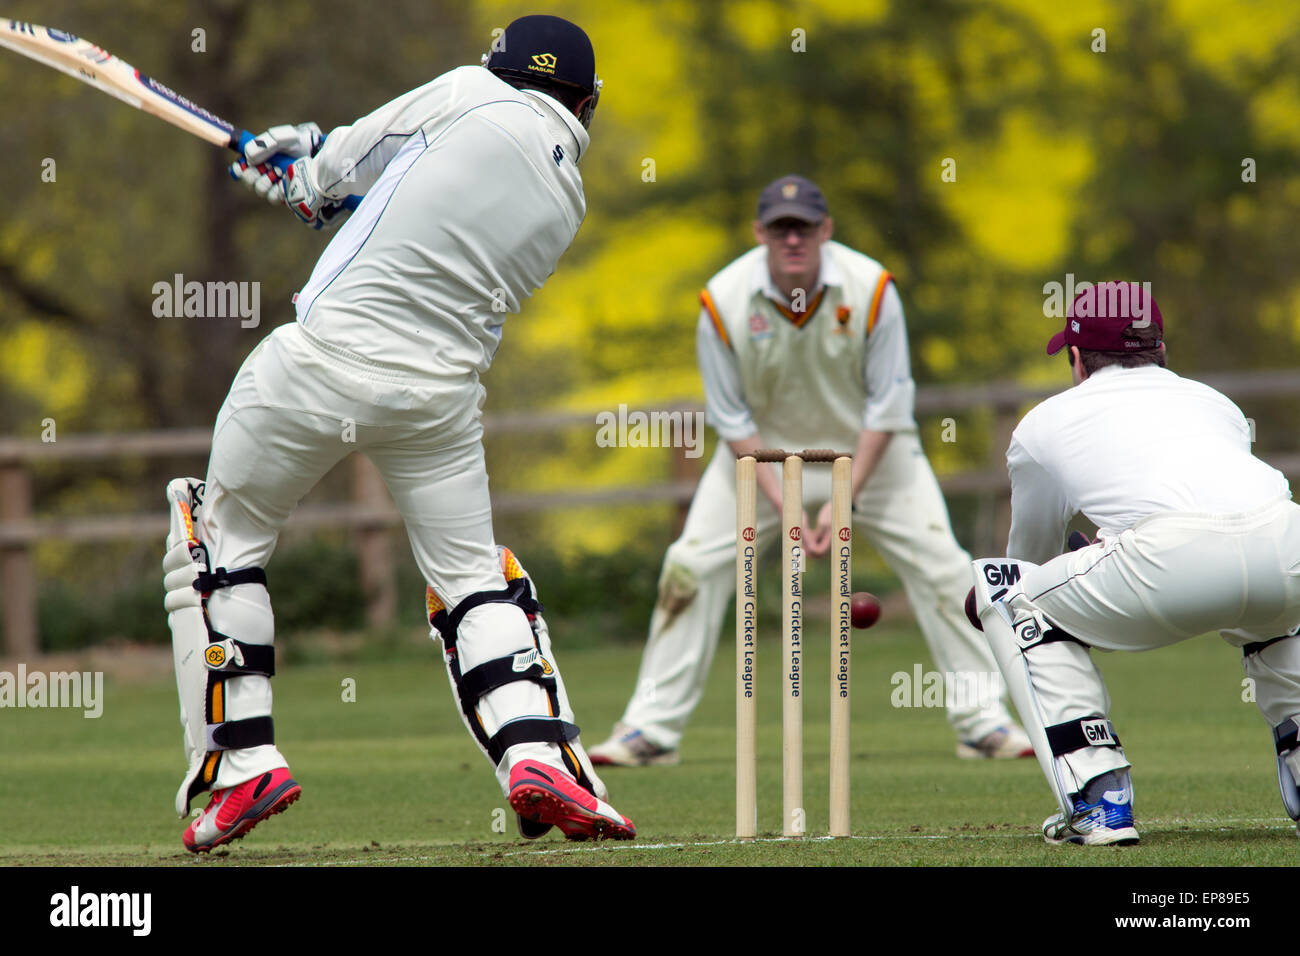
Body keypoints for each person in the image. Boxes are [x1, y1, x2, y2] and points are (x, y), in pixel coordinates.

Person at [161, 14, 636, 852]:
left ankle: (242, 765)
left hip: (319, 363)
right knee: (472, 580)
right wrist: (310, 166)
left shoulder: (468, 88)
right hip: (438, 398)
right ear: (587, 102)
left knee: (218, 539)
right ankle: (535, 751)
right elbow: (403, 190)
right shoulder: (569, 200)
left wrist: (295, 166)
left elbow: (342, 170)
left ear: (497, 65)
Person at [588, 174, 1033, 769]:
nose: (791, 239)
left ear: (825, 230)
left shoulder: (872, 288)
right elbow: (732, 419)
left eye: (803, 228)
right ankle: (649, 731)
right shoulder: (721, 300)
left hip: (874, 453)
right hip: (759, 457)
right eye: (779, 229)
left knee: (945, 570)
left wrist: (842, 498)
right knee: (688, 568)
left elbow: (888, 408)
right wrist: (789, 506)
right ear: (759, 233)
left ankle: (984, 723)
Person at [965, 282, 1300, 845]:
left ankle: (1099, 798)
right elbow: (1220, 511)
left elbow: (1028, 559)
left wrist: (1072, 567)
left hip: (1165, 567)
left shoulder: (1044, 423)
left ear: (1076, 358)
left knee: (1007, 595)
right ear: (1161, 351)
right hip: (1288, 542)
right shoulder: (1216, 403)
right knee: (1276, 616)